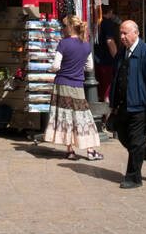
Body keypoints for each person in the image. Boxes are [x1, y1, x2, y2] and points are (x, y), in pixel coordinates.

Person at [109, 21, 146, 189]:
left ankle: (133, 178)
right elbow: (117, 78)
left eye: (125, 33)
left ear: (136, 33)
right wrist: (112, 102)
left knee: (136, 142)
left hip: (141, 107)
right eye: (120, 33)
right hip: (124, 105)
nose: (122, 37)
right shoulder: (122, 53)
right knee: (124, 136)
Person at [42, 16, 103, 161]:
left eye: (63, 26)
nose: (61, 29)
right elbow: (89, 67)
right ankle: (90, 150)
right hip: (78, 86)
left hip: (62, 84)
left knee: (66, 117)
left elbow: (56, 66)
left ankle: (70, 151)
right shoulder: (86, 44)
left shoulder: (63, 44)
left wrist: (49, 70)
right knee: (83, 117)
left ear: (69, 27)